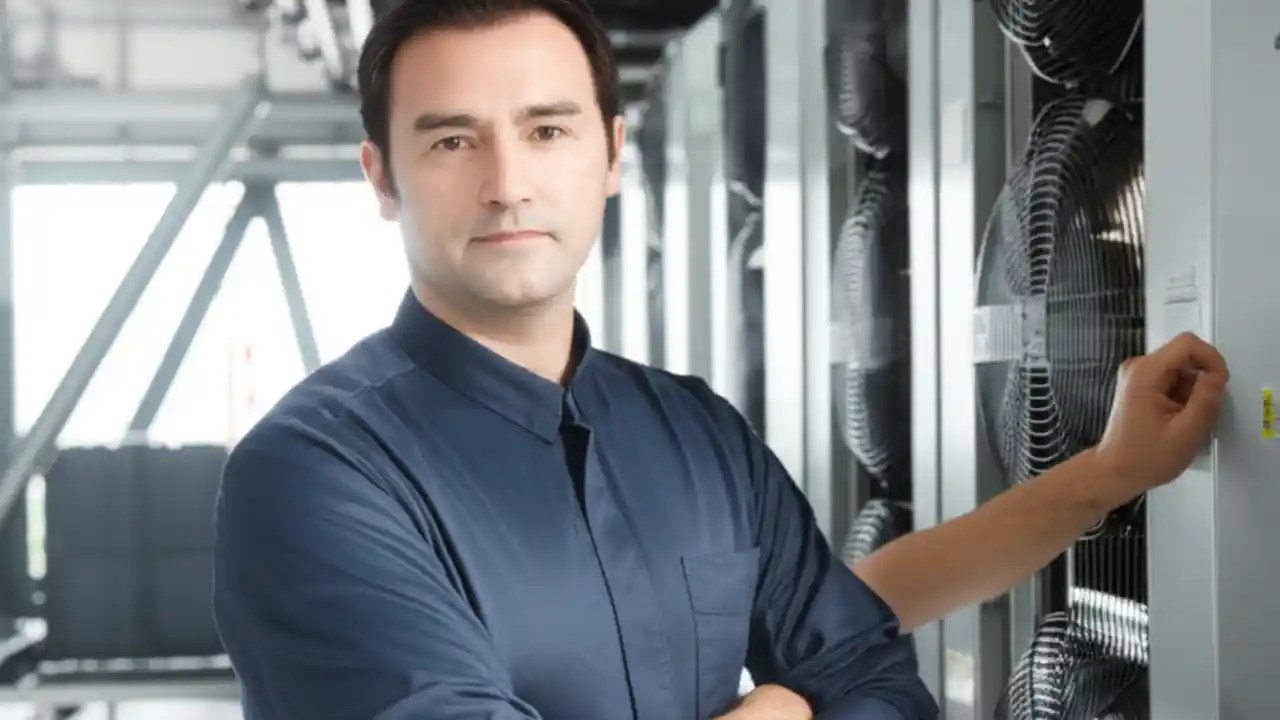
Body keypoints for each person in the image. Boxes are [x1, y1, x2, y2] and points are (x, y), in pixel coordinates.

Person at [210, 1, 1230, 719]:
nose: (507, 182)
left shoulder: (694, 433)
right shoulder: (313, 477)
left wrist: (1106, 475)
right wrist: (781, 709)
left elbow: (871, 677)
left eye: (547, 130)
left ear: (611, 155)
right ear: (381, 178)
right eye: (450, 142)